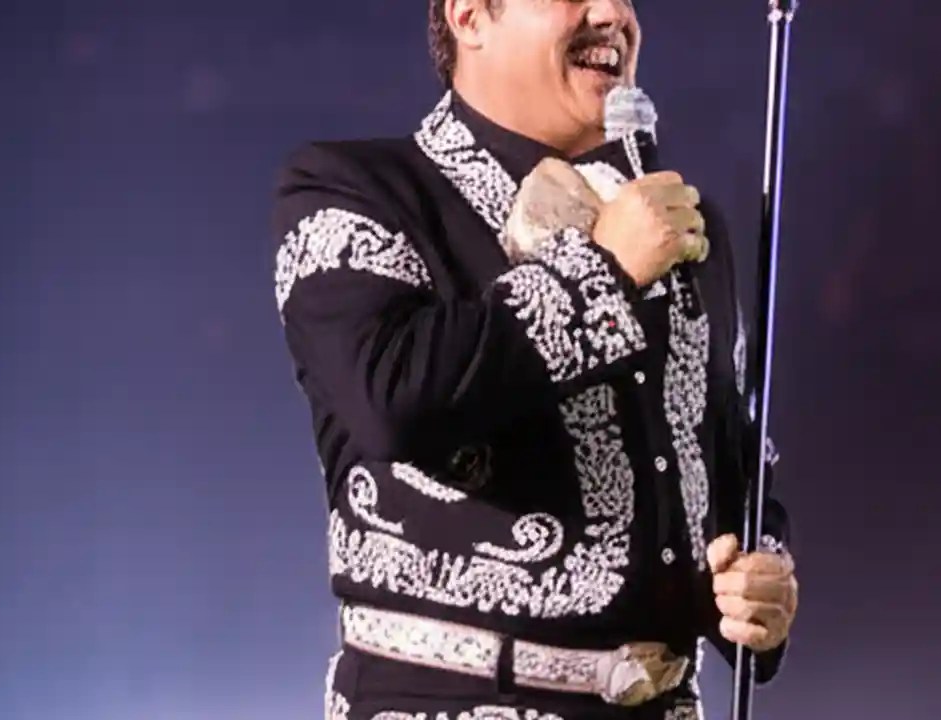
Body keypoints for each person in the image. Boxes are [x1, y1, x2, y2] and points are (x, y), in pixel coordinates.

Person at [271, 2, 799, 718]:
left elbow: (728, 458)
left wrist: (756, 587)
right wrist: (604, 270)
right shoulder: (353, 191)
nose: (612, 12)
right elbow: (390, 404)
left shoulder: (681, 222)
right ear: (468, 16)